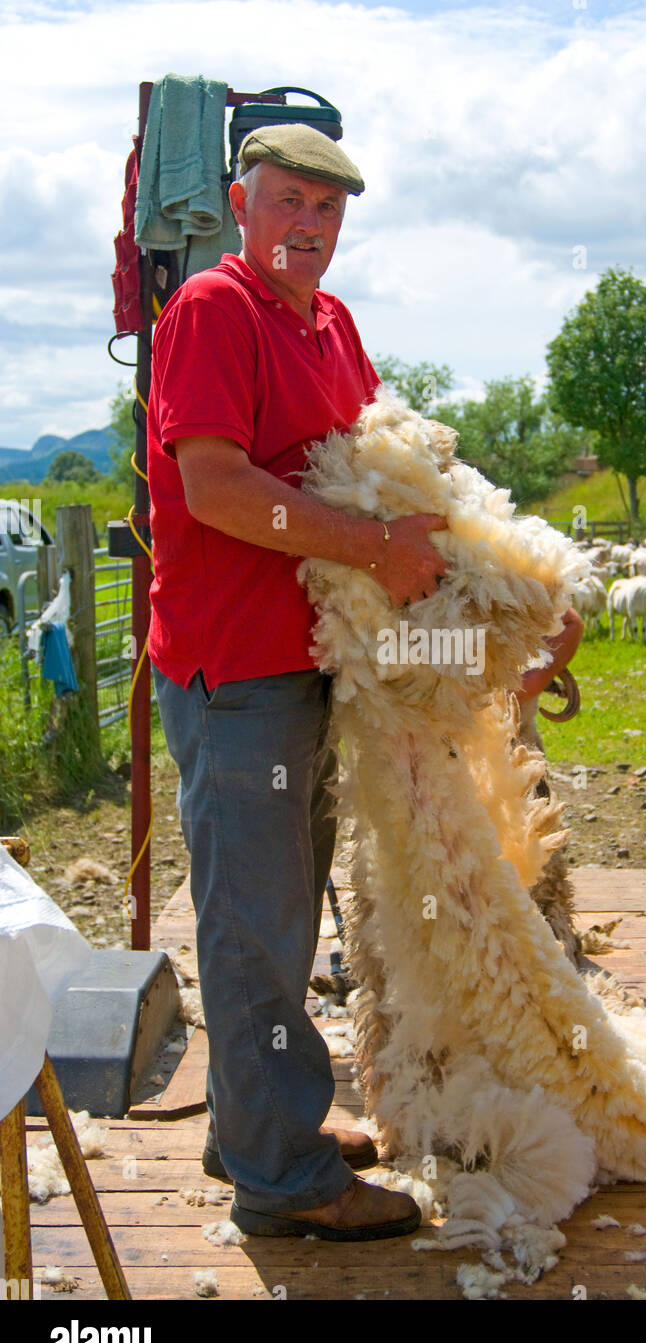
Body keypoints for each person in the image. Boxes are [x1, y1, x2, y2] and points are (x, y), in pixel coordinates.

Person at [147, 123, 449, 1240]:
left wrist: (485, 571)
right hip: (239, 666)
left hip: (310, 658)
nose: (308, 227)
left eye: (327, 210)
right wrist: (376, 550)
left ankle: (257, 1130)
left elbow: (379, 458)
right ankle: (280, 1182)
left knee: (279, 905)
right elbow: (218, 487)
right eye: (288, 203)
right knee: (256, 928)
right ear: (241, 203)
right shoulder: (214, 314)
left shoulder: (329, 323)